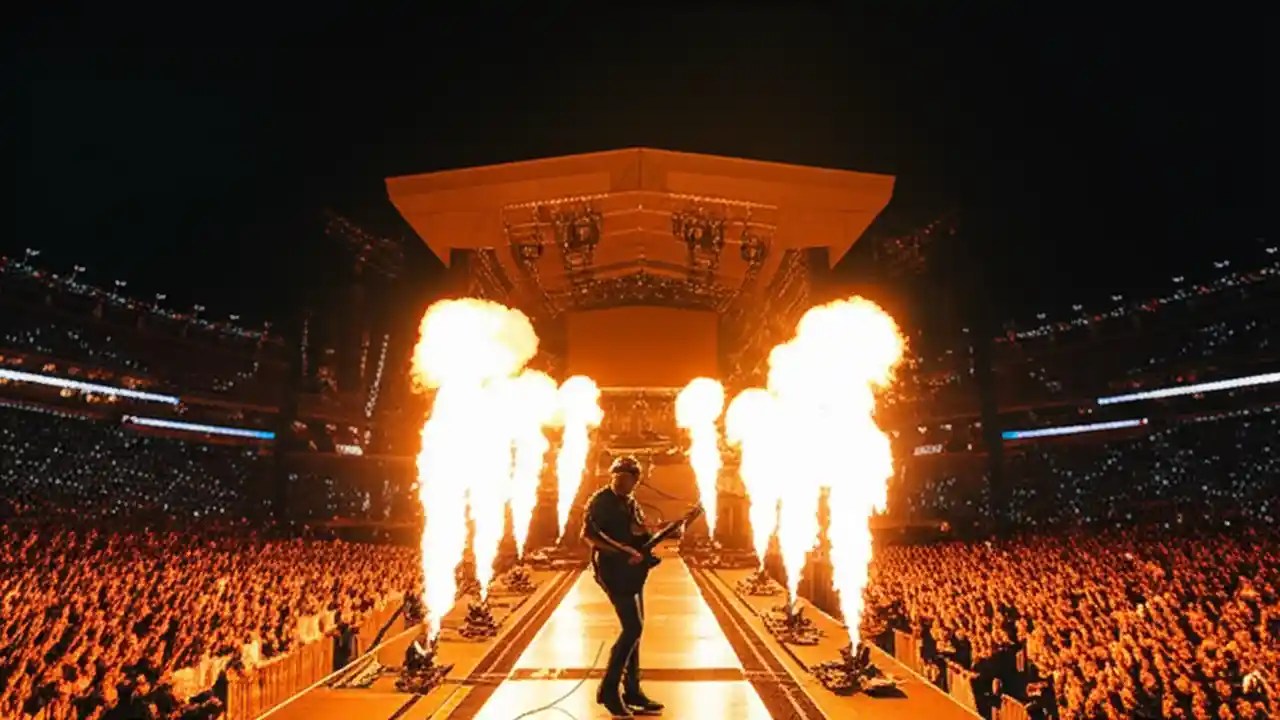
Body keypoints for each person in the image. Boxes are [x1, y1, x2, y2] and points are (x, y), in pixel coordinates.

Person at [580, 455, 696, 718]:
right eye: (618, 477)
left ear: (636, 481)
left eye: (628, 479)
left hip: (631, 572)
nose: (622, 483)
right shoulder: (601, 502)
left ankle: (632, 690)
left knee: (636, 630)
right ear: (613, 476)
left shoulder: (630, 504)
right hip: (612, 571)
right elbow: (589, 535)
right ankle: (609, 690)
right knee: (632, 627)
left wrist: (678, 526)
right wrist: (623, 554)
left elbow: (641, 535)